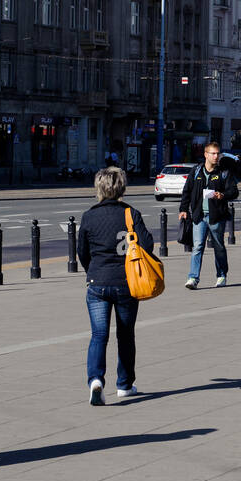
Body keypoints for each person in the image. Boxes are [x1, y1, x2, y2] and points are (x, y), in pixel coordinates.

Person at [78, 166, 154, 404]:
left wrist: (93, 270)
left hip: (98, 282)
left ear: (99, 187)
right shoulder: (131, 214)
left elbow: (82, 252)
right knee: (125, 335)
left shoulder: (89, 216)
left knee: (99, 335)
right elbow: (148, 245)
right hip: (127, 283)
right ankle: (124, 384)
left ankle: (96, 380)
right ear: (122, 187)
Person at [179, 141, 239, 289]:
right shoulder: (196, 171)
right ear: (205, 154)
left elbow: (234, 191)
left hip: (216, 216)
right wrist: (183, 209)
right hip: (199, 216)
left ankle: (221, 275)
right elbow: (187, 191)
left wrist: (222, 195)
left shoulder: (224, 172)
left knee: (218, 246)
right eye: (213, 153)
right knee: (197, 246)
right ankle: (193, 278)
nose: (216, 156)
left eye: (218, 153)